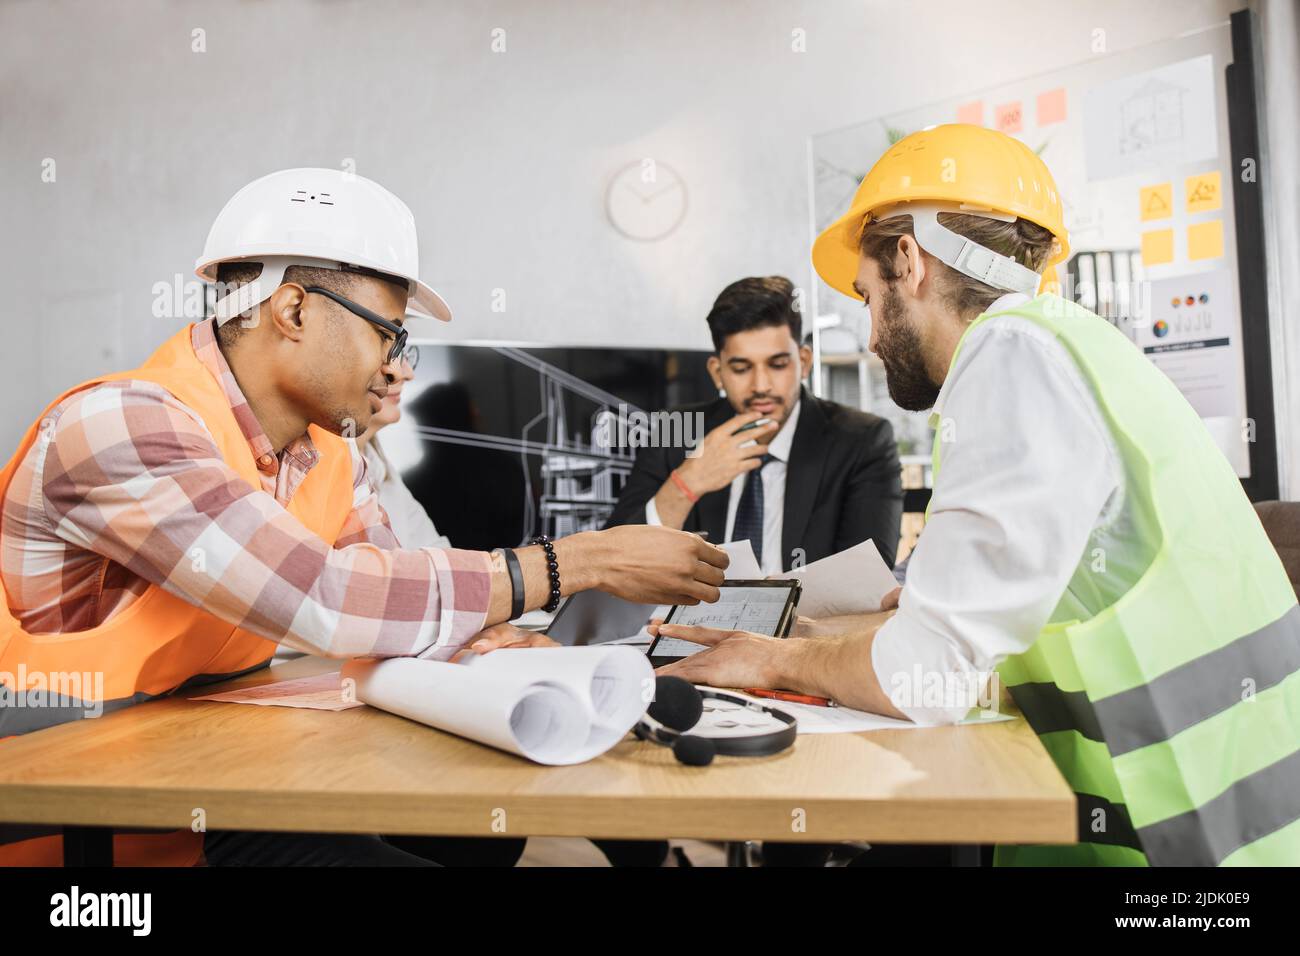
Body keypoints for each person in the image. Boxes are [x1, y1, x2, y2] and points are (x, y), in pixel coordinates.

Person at [0, 168, 727, 867]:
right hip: (83, 826)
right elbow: (322, 596)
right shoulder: (122, 424)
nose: (396, 364)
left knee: (481, 835)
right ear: (292, 311)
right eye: (390, 332)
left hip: (214, 792)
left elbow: (391, 586)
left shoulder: (326, 454)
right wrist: (576, 562)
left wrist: (494, 646)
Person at [649, 125, 1300, 866]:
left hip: (1187, 851)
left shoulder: (1009, 354)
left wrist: (765, 660)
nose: (868, 337)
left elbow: (919, 680)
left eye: (866, 297)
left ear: (908, 259)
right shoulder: (1071, 345)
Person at [607, 275, 903, 572]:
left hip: (805, 618)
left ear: (804, 361)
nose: (761, 385)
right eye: (741, 368)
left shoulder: (862, 441)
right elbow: (614, 560)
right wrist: (687, 483)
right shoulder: (677, 428)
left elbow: (865, 580)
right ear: (717, 372)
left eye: (777, 365)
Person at [352, 343, 450, 551]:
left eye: (403, 353)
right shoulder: (317, 463)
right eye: (388, 350)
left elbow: (436, 551)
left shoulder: (381, 469)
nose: (406, 373)